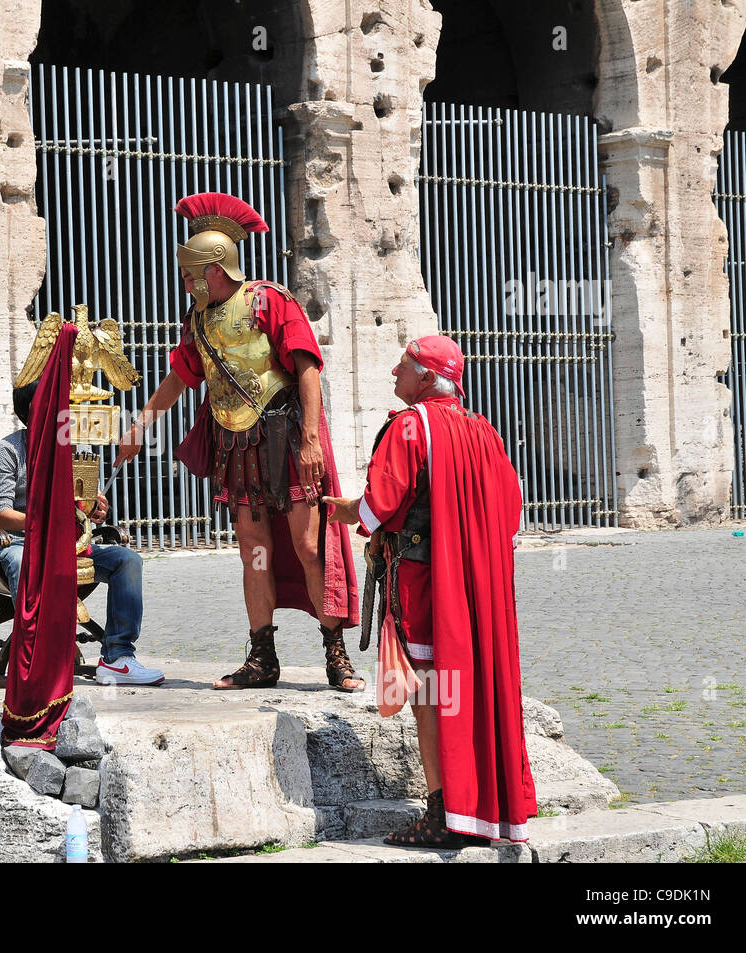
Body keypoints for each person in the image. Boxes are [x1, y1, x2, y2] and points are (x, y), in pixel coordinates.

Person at [114, 192, 360, 691]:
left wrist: (311, 439)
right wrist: (139, 426)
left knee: (309, 546)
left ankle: (335, 654)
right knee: (255, 553)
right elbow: (180, 379)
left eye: (191, 275)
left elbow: (307, 369)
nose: (185, 284)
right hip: (236, 445)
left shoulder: (270, 301)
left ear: (215, 270)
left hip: (287, 438)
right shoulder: (198, 321)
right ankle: (262, 658)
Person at [325, 335, 537, 845]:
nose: (392, 376)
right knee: (470, 685)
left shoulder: (410, 427)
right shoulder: (484, 430)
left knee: (429, 692)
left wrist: (344, 508)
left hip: (423, 580)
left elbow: (379, 507)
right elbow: (510, 517)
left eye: (401, 368)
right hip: (475, 585)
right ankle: (477, 811)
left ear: (424, 378)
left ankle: (443, 815)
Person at [0, 381, 164, 686]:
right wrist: (47, 521)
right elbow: (0, 514)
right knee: (22, 561)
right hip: (22, 542)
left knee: (127, 560)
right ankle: (40, 657)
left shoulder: (71, 450)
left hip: (69, 544)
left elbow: (83, 505)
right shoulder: (6, 451)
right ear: (34, 410)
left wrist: (94, 508)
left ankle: (118, 657)